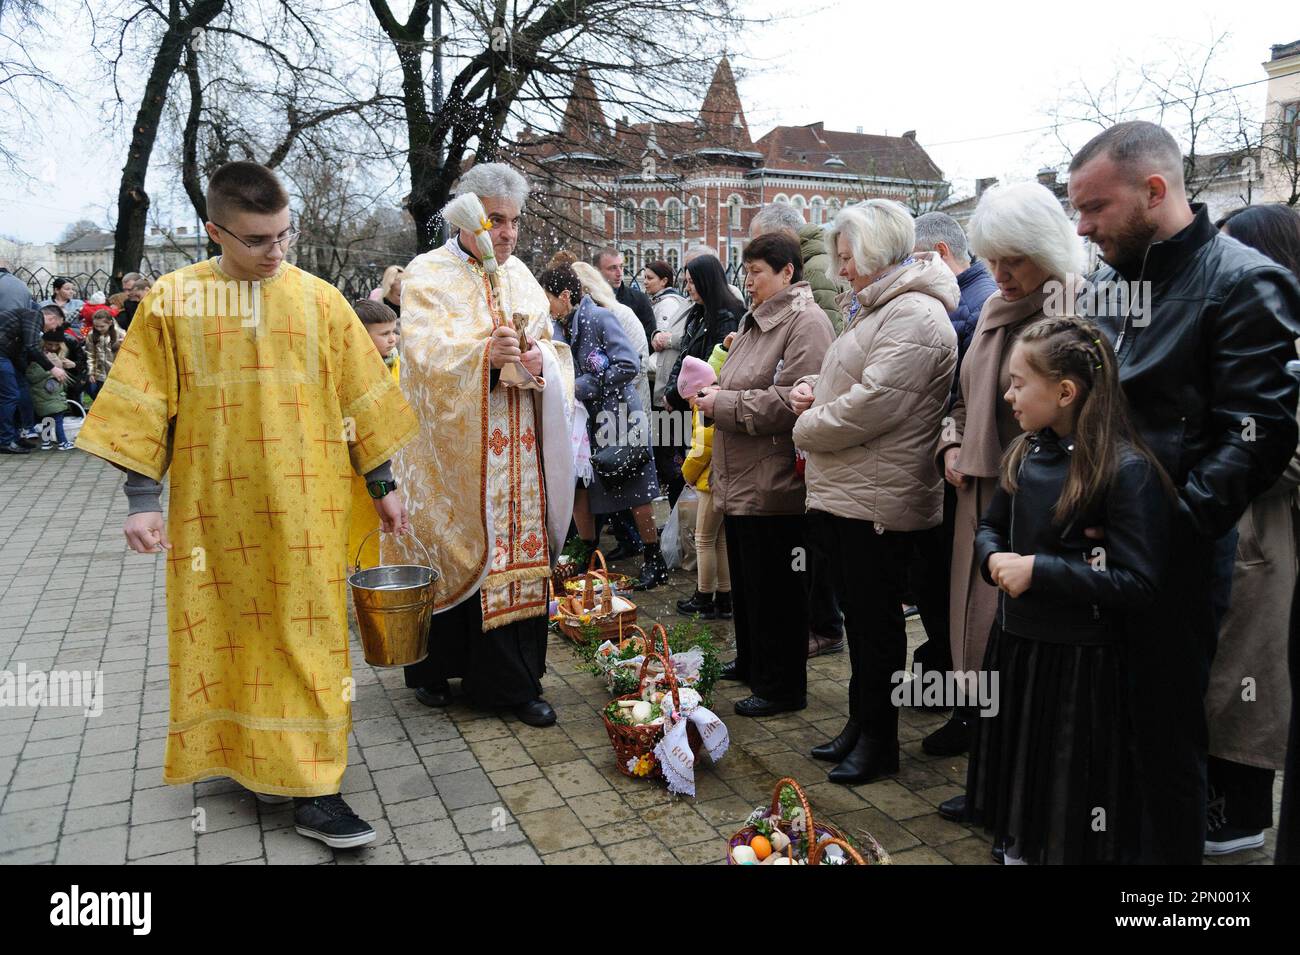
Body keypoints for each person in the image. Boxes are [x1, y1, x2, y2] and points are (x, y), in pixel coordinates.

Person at [75, 160, 417, 850]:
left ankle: (317, 790)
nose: (276, 251)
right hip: (214, 515)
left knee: (310, 640)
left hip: (308, 511)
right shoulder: (174, 301)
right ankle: (250, 759)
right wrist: (143, 500)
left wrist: (382, 486)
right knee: (226, 637)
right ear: (215, 232)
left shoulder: (320, 302)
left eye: (284, 235)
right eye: (258, 240)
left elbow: (362, 399)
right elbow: (146, 404)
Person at [1067, 121, 1300, 864]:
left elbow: (1258, 434)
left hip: (1176, 562)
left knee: (1167, 747)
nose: (1082, 225)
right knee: (1103, 734)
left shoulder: (1243, 280)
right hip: (1098, 551)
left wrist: (1166, 526)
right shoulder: (1106, 283)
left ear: (1155, 191)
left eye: (1094, 207)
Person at [968, 316, 1175, 864]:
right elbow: (990, 526)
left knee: (1065, 774)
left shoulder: (1124, 470)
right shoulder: (1027, 452)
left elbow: (1138, 580)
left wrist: (1041, 570)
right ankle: (1019, 843)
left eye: (1018, 383)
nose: (1008, 394)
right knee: (1023, 761)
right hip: (1018, 645)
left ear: (1065, 392)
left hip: (1080, 662)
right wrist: (992, 557)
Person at [395, 162, 575, 728]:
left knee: (518, 555)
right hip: (455, 454)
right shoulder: (428, 274)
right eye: (496, 219)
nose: (507, 232)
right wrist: (482, 357)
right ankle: (433, 670)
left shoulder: (520, 276)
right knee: (453, 548)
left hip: (519, 446)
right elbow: (422, 357)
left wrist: (533, 357)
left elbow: (553, 350)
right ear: (466, 216)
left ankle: (511, 684)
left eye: (514, 221)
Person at [791, 200, 958, 783]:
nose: (840, 271)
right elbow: (854, 381)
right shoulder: (878, 308)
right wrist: (816, 388)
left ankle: (880, 742)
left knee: (878, 627)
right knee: (864, 624)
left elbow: (877, 403)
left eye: (847, 259)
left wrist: (806, 425)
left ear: (875, 253)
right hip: (855, 490)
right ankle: (862, 724)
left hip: (882, 497)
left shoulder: (913, 314)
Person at [931, 183, 1085, 762]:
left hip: (1034, 497)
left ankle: (1001, 750)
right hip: (976, 489)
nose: (999, 272)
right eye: (992, 258)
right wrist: (951, 446)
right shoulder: (993, 311)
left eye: (1013, 259)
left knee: (1008, 621)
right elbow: (964, 399)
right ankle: (973, 721)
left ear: (1046, 249)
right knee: (970, 616)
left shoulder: (1071, 314)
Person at [1201, 204, 1300, 856]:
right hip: (1229, 538)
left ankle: (1241, 820)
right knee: (1221, 680)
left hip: (1267, 540)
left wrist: (1233, 443)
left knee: (1250, 685)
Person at [701, 230, 833, 717]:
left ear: (787, 273)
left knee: (779, 588)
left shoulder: (807, 322)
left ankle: (782, 686)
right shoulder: (756, 320)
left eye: (757, 272)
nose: (748, 280)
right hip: (742, 477)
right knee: (751, 582)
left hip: (776, 481)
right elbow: (742, 381)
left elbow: (794, 401)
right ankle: (756, 662)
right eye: (747, 270)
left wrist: (723, 403)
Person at [905, 214, 1000, 677]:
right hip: (946, 459)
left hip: (959, 470)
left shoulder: (976, 304)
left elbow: (960, 396)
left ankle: (947, 670)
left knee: (945, 579)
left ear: (939, 254)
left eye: (916, 260)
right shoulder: (967, 301)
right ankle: (941, 662)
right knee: (936, 579)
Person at [750, 203, 846, 657]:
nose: (749, 280)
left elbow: (817, 354)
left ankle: (823, 625)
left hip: (812, 429)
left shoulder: (816, 282)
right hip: (810, 426)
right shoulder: (815, 265)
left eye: (756, 266)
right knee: (808, 539)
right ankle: (816, 621)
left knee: (811, 540)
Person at [542, 263, 665, 590]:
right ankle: (587, 553)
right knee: (581, 486)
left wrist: (581, 386)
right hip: (583, 424)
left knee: (635, 488)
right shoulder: (558, 327)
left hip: (619, 418)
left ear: (565, 295)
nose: (546, 306)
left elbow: (629, 364)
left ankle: (654, 557)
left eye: (549, 298)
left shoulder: (600, 317)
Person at [676, 340, 732, 620]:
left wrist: (686, 473)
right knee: (719, 540)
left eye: (687, 399)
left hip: (709, 483)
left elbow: (701, 448)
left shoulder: (703, 405)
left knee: (703, 539)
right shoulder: (719, 393)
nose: (690, 405)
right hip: (722, 479)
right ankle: (725, 596)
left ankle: (704, 596)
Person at [348, 299, 403, 571]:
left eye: (394, 331)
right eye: (384, 334)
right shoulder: (355, 371)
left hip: (390, 459)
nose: (392, 339)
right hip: (363, 469)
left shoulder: (395, 364)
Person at [663, 255, 744, 412]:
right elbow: (683, 357)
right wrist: (670, 391)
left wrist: (673, 396)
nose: (687, 288)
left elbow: (708, 369)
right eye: (687, 282)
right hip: (686, 401)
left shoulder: (725, 319)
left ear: (707, 282)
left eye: (692, 282)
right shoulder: (698, 312)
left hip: (701, 406)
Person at [644, 260, 693, 508]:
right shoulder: (664, 302)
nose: (645, 281)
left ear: (664, 281)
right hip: (663, 390)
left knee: (671, 458)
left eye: (650, 277)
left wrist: (661, 339)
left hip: (667, 392)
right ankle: (677, 511)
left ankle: (679, 511)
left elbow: (666, 345)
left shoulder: (669, 304)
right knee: (667, 456)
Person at [750, 202, 843, 332]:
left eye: (762, 244)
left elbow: (824, 336)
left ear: (785, 234)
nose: (756, 252)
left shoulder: (813, 271)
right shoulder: (811, 262)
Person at [0, 306, 63, 454]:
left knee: (22, 390)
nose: (53, 330)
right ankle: (5, 440)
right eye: (56, 326)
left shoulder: (25, 318)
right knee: (10, 396)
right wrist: (52, 368)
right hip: (2, 355)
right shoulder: (34, 315)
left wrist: (26, 370)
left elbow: (21, 351)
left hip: (7, 356)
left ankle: (15, 436)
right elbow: (32, 346)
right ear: (51, 318)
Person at [593, 247, 655, 349]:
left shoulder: (639, 300)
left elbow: (648, 340)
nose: (619, 273)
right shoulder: (588, 300)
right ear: (597, 271)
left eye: (621, 267)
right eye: (612, 268)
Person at [26, 331, 74, 450]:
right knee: (58, 421)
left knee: (47, 421)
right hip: (50, 400)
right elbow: (37, 379)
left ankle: (46, 442)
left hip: (46, 400)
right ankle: (63, 442)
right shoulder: (42, 367)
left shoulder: (37, 366)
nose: (52, 349)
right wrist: (54, 369)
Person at [84, 307, 125, 402]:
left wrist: (120, 345)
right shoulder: (91, 335)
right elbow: (90, 354)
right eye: (96, 326)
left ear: (110, 323)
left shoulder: (121, 334)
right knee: (101, 398)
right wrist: (91, 372)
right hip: (100, 374)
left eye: (102, 326)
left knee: (117, 400)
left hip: (117, 374)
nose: (98, 329)